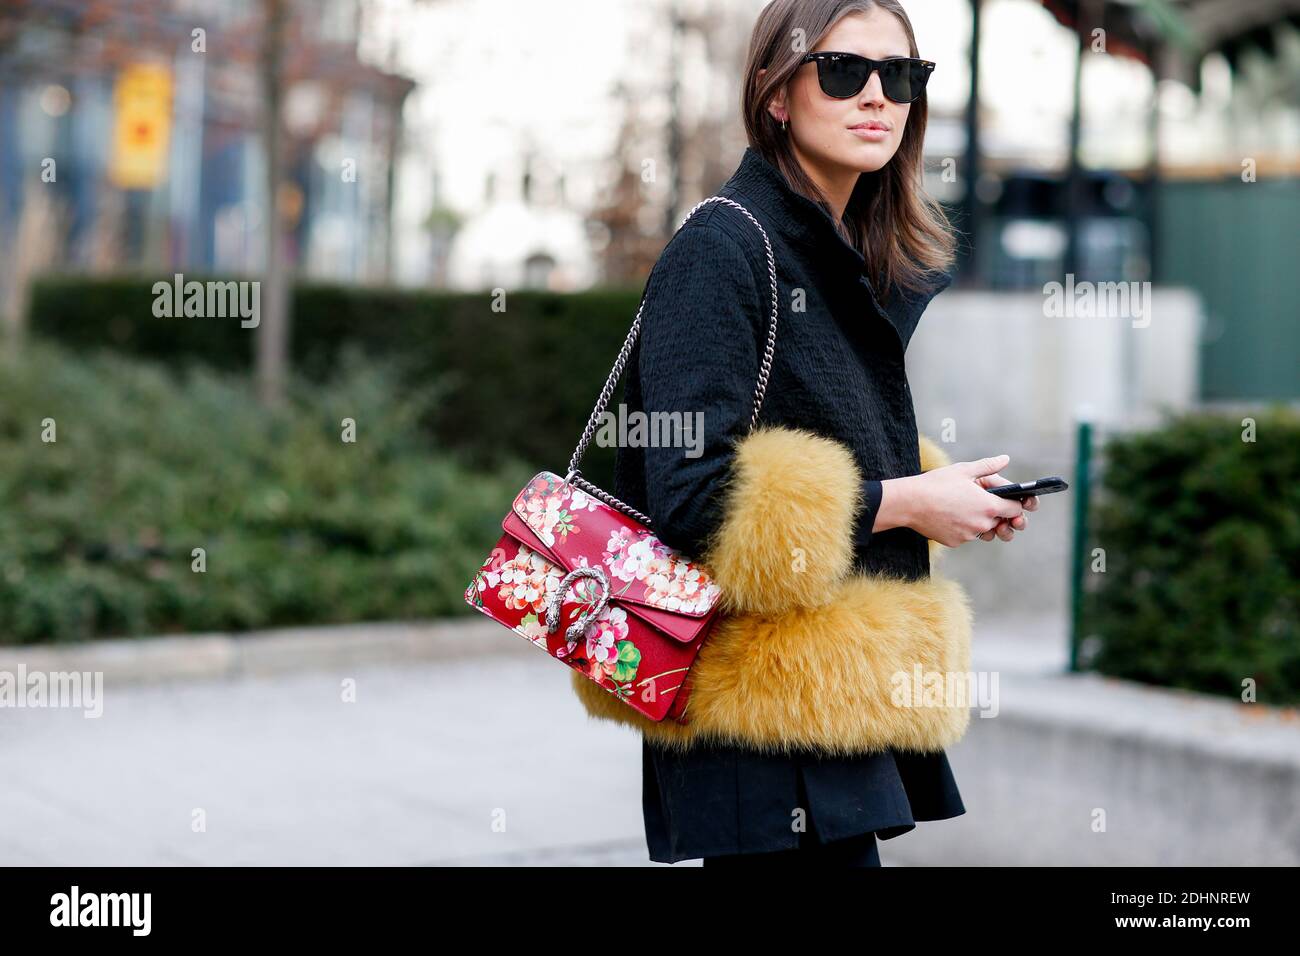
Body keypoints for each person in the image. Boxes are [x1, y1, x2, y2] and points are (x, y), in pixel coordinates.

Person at [570, 0, 1037, 866]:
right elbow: (693, 499)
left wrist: (943, 497)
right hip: (756, 708)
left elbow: (818, 435)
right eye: (842, 70)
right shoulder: (724, 247)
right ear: (778, 93)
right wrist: (902, 503)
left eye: (900, 77)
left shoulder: (841, 253)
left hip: (827, 700)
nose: (877, 98)